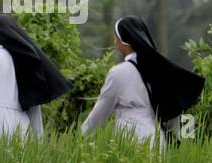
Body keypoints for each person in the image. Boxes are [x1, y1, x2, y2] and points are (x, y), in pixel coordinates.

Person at [82, 15, 203, 144]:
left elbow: (100, 112)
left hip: (129, 140)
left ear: (124, 42)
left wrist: (81, 136)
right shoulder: (158, 69)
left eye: (116, 38)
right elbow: (172, 110)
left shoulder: (118, 73)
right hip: (157, 142)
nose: (114, 42)